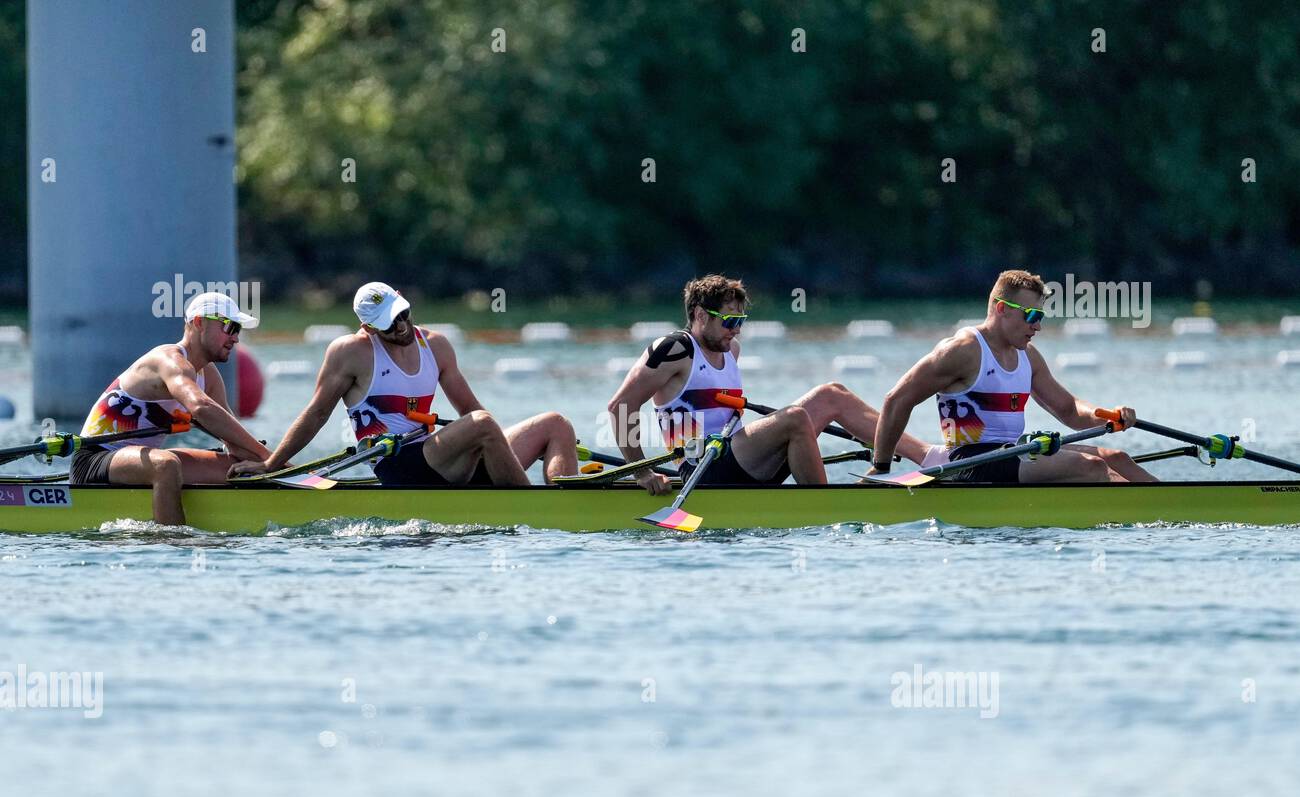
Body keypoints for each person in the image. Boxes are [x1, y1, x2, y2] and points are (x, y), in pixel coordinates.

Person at [606, 274, 931, 493]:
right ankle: (825, 506)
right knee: (793, 418)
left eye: (741, 322)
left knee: (832, 394)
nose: (736, 330)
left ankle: (929, 456)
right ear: (700, 315)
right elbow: (620, 407)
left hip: (738, 459)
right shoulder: (674, 349)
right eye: (729, 321)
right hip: (703, 468)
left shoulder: (730, 349)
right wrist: (643, 473)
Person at [229, 282, 578, 485]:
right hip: (399, 464)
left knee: (554, 424)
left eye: (402, 316)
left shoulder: (437, 346)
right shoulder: (351, 353)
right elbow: (316, 413)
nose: (400, 328)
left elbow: (470, 410)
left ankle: (572, 503)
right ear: (368, 328)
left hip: (440, 456)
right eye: (388, 325)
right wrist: (272, 464)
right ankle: (531, 507)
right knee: (484, 425)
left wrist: (492, 453)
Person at [868, 269, 1156, 482]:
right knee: (1089, 466)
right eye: (1031, 316)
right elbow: (896, 400)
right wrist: (880, 468)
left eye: (1040, 317)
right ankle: (1150, 518)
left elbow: (1069, 409)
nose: (1038, 327)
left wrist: (1108, 416)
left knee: (1117, 458)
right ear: (1002, 309)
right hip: (971, 461)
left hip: (1011, 454)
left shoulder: (1027, 356)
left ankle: (1179, 512)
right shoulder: (962, 351)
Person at [71, 291, 270, 524]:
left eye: (238, 330)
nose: (235, 338)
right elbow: (200, 407)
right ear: (199, 323)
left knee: (238, 467)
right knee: (165, 465)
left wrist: (277, 465)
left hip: (136, 461)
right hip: (95, 460)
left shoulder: (209, 376)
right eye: (229, 327)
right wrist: (266, 455)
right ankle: (173, 542)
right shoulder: (167, 360)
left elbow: (234, 441)